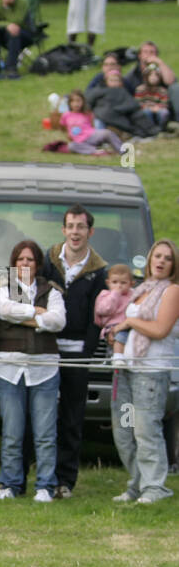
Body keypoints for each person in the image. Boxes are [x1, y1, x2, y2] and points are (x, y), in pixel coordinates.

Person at [40, 203, 108, 499]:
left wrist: (87, 354)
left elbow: (98, 318)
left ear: (90, 231)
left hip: (77, 352)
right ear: (63, 229)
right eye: (71, 226)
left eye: (81, 227)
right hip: (46, 348)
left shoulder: (99, 271)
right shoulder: (49, 260)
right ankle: (41, 476)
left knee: (71, 417)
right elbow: (35, 293)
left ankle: (65, 480)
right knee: (42, 415)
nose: (75, 232)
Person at [0, 240, 66, 502]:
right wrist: (37, 313)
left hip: (44, 368)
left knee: (45, 434)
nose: (25, 263)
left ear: (38, 264)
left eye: (30, 259)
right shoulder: (2, 287)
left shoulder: (51, 289)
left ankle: (45, 486)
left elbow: (58, 321)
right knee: (12, 432)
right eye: (20, 259)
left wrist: (28, 319)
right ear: (14, 263)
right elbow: (4, 310)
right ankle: (10, 484)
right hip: (9, 369)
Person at [110, 240, 179, 504]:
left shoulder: (171, 291)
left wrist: (128, 322)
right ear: (149, 259)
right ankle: (136, 484)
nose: (161, 261)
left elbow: (160, 329)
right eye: (157, 256)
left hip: (150, 374)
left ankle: (155, 488)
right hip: (125, 372)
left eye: (167, 258)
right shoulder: (140, 290)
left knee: (146, 430)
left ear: (174, 265)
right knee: (125, 431)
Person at [59, 89, 124, 156]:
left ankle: (121, 150)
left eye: (78, 101)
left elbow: (92, 125)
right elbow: (63, 127)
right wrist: (69, 134)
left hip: (91, 136)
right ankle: (96, 151)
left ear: (83, 102)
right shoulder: (66, 115)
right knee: (71, 146)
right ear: (69, 103)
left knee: (107, 133)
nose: (76, 104)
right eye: (73, 101)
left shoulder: (87, 113)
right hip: (79, 141)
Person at [95, 263, 134, 360]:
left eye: (123, 283)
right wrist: (115, 294)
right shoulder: (105, 295)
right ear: (108, 283)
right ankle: (116, 358)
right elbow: (103, 310)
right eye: (115, 282)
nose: (119, 286)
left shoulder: (133, 295)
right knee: (119, 339)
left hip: (130, 326)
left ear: (131, 283)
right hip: (113, 327)